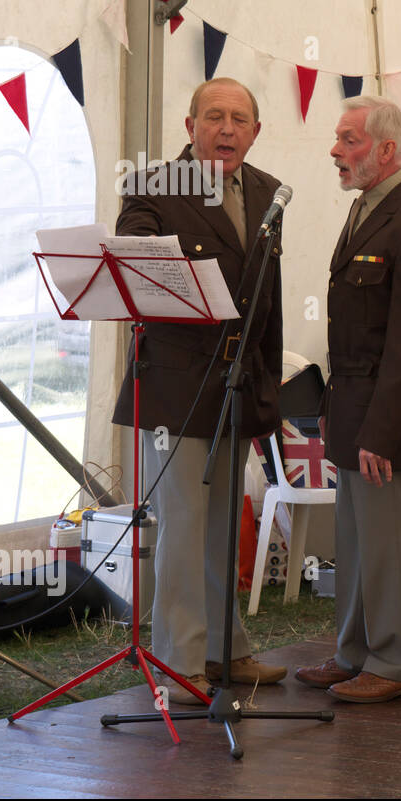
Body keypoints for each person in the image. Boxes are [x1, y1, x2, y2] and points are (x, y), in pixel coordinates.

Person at [111, 77, 287, 704]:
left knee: (220, 522)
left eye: (241, 118)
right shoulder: (153, 185)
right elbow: (129, 249)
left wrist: (268, 391)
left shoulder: (268, 192)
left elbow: (270, 300)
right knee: (183, 523)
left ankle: (227, 651)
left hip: (238, 386)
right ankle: (181, 664)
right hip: (175, 389)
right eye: (214, 116)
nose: (227, 129)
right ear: (189, 126)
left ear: (256, 132)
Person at [295, 96, 401, 703]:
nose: (335, 151)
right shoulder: (371, 207)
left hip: (387, 417)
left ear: (386, 150)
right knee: (357, 544)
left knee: (389, 544)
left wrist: (380, 431)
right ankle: (354, 652)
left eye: (348, 140)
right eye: (337, 139)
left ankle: (394, 664)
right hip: (355, 408)